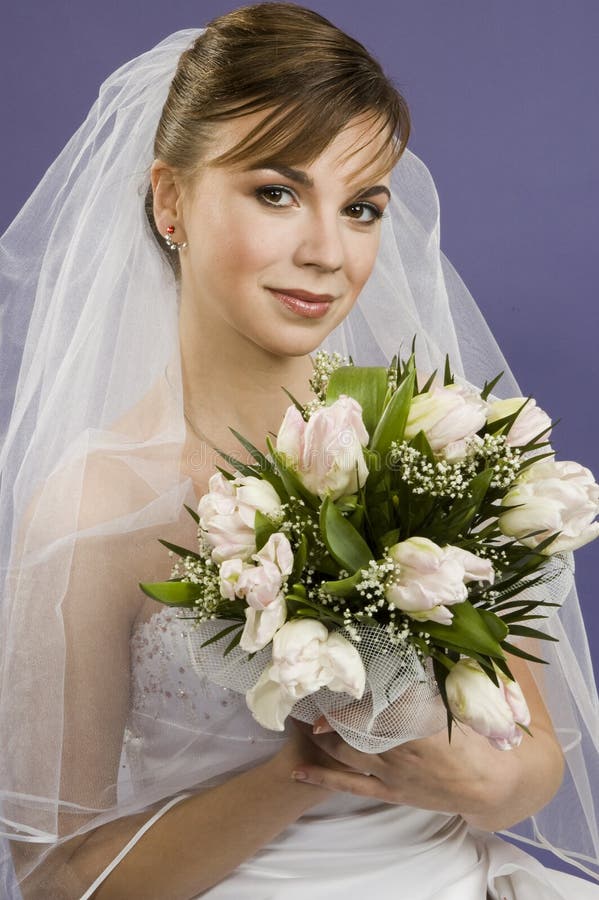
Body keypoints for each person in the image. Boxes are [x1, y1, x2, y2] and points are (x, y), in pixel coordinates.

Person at [0, 4, 598, 898]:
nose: (326, 252)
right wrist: (300, 768)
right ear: (171, 200)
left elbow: (538, 757)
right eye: (276, 192)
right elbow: (56, 876)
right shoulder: (95, 505)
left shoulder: (434, 439)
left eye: (360, 207)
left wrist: (487, 782)